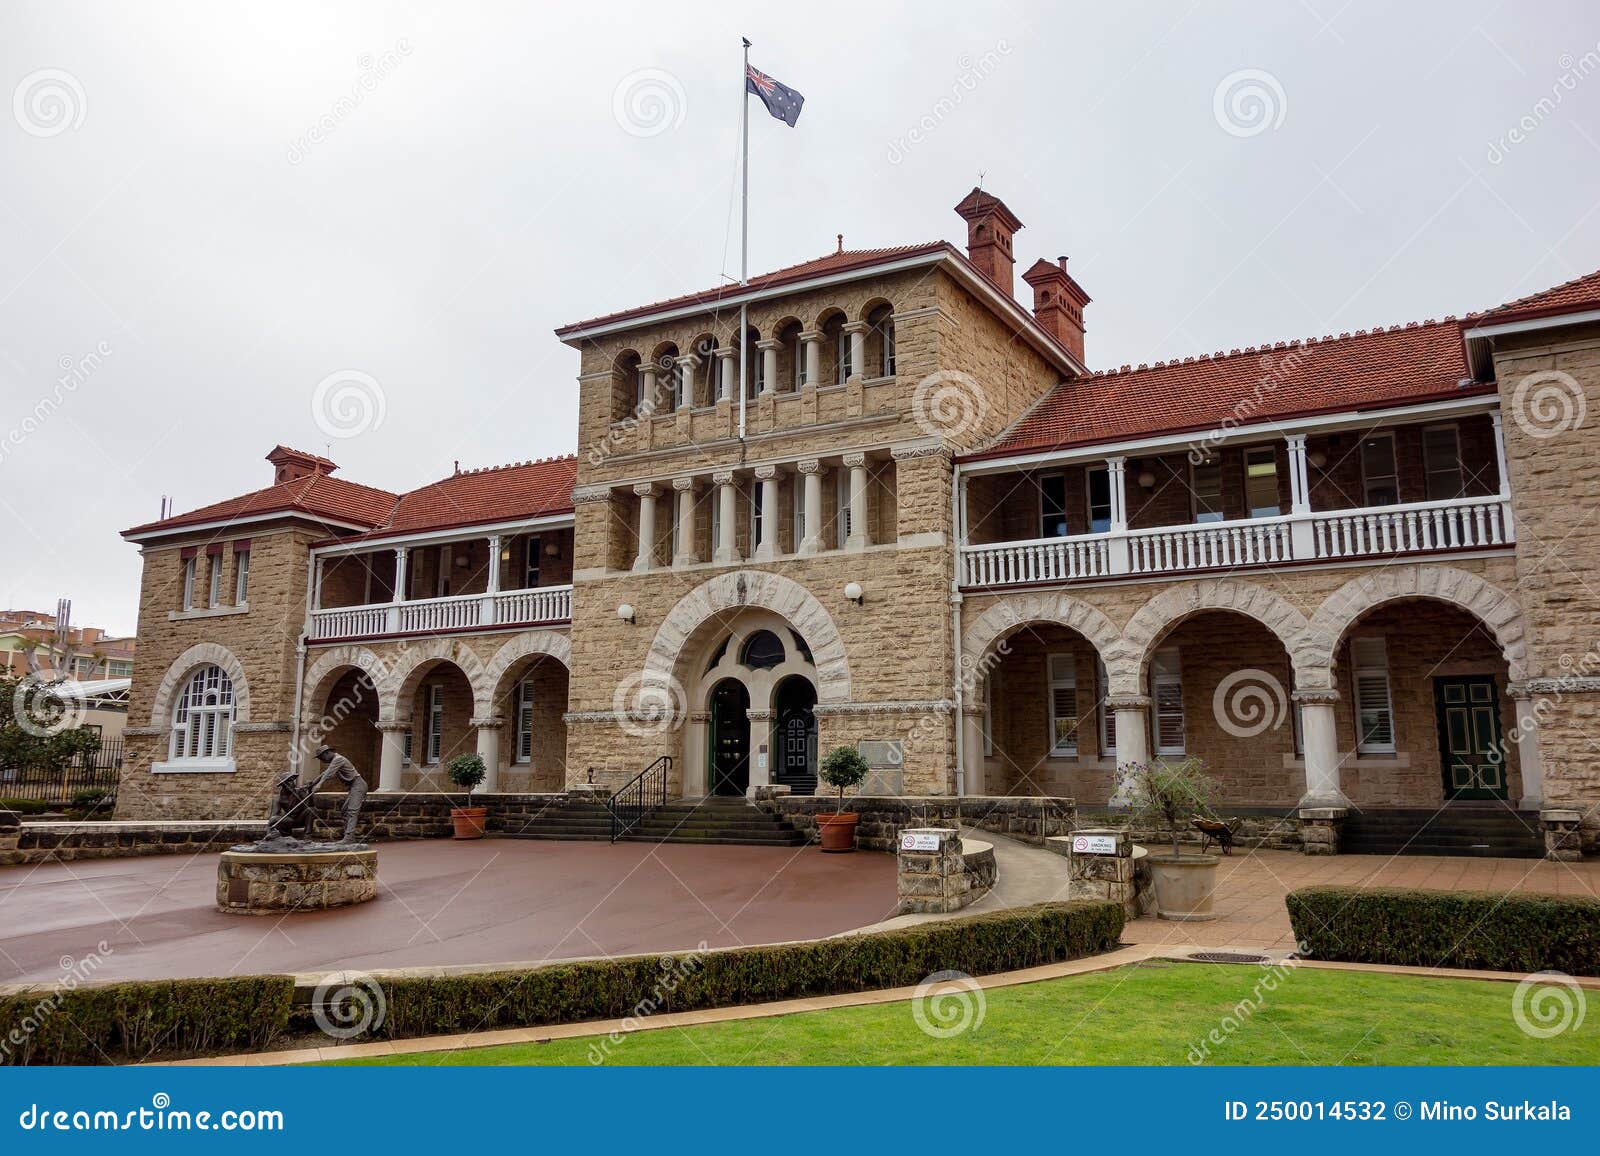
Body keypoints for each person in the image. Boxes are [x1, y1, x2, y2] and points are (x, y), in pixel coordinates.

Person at [310, 744, 368, 843]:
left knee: (352, 811)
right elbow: (324, 773)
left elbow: (328, 774)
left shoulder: (338, 759)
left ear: (327, 753)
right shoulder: (334, 761)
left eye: (321, 757)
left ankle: (349, 837)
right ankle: (349, 835)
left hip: (358, 785)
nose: (322, 760)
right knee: (345, 811)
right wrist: (312, 783)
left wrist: (319, 785)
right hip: (353, 787)